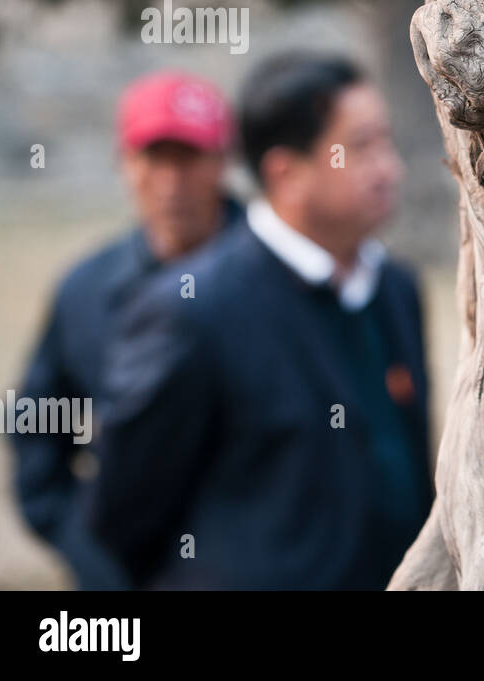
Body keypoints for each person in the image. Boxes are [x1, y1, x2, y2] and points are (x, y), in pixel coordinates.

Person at [88, 52, 434, 589]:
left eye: (386, 143)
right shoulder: (192, 309)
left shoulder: (394, 289)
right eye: (361, 148)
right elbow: (126, 512)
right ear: (286, 172)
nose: (391, 168)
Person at [12, 71, 239, 590]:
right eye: (153, 160)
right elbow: (38, 434)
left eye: (188, 160)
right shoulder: (84, 291)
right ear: (125, 165)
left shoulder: (278, 275)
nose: (171, 183)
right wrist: (89, 550)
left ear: (223, 163)